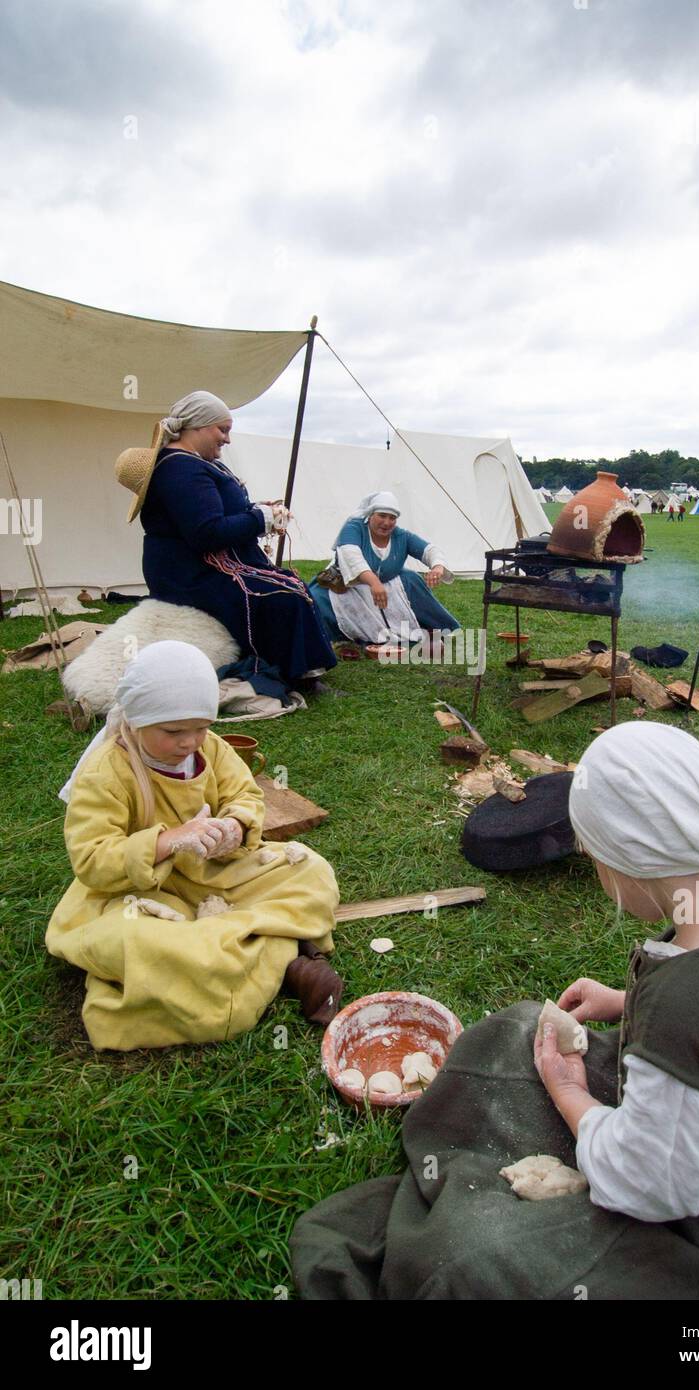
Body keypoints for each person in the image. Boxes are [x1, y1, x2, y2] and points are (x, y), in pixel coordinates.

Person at [290, 722, 699, 1300]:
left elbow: (652, 1187)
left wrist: (570, 1095)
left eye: (593, 860)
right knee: (518, 1030)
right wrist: (626, 1002)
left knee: (467, 1259)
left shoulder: (687, 1001)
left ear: (625, 857)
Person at [46, 642, 342, 1050]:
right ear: (135, 720)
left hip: (215, 872)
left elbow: (245, 794)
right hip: (138, 892)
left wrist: (235, 825)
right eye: (172, 731)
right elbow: (92, 859)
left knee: (310, 869)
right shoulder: (106, 773)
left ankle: (252, 950)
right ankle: (284, 952)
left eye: (201, 726)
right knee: (141, 943)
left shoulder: (211, 748)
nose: (190, 742)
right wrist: (167, 841)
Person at [115, 391, 337, 692]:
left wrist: (256, 509)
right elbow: (206, 533)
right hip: (190, 574)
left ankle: (304, 666)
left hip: (205, 565)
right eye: (223, 429)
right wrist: (261, 519)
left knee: (289, 582)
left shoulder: (195, 464)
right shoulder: (180, 469)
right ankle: (293, 673)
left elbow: (215, 512)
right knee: (280, 597)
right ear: (198, 426)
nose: (227, 439)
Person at [309, 491, 460, 653]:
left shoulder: (400, 535)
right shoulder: (353, 528)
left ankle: (431, 629)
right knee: (317, 601)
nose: (387, 522)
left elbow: (430, 550)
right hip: (348, 583)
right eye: (382, 516)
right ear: (371, 515)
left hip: (388, 581)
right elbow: (352, 558)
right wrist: (373, 582)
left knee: (412, 580)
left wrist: (437, 567)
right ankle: (340, 638)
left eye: (392, 518)